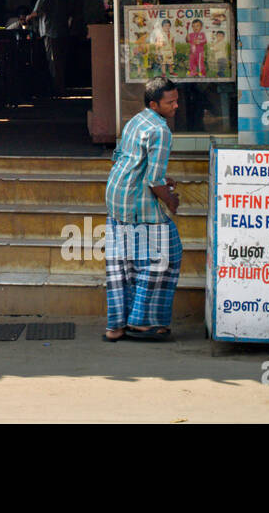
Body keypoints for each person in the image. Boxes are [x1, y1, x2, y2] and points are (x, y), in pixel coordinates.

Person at [102, 76, 182, 343]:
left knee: (120, 264)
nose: (176, 106)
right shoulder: (161, 131)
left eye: (176, 100)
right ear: (154, 104)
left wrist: (161, 181)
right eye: (170, 102)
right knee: (166, 254)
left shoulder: (137, 119)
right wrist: (170, 200)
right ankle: (143, 323)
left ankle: (116, 327)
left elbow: (129, 158)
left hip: (116, 192)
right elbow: (153, 180)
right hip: (136, 199)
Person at [24, 0, 70, 96]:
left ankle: (57, 88)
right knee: (61, 60)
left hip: (51, 30)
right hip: (62, 29)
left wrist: (28, 17)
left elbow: (40, 10)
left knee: (53, 60)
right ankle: (61, 86)